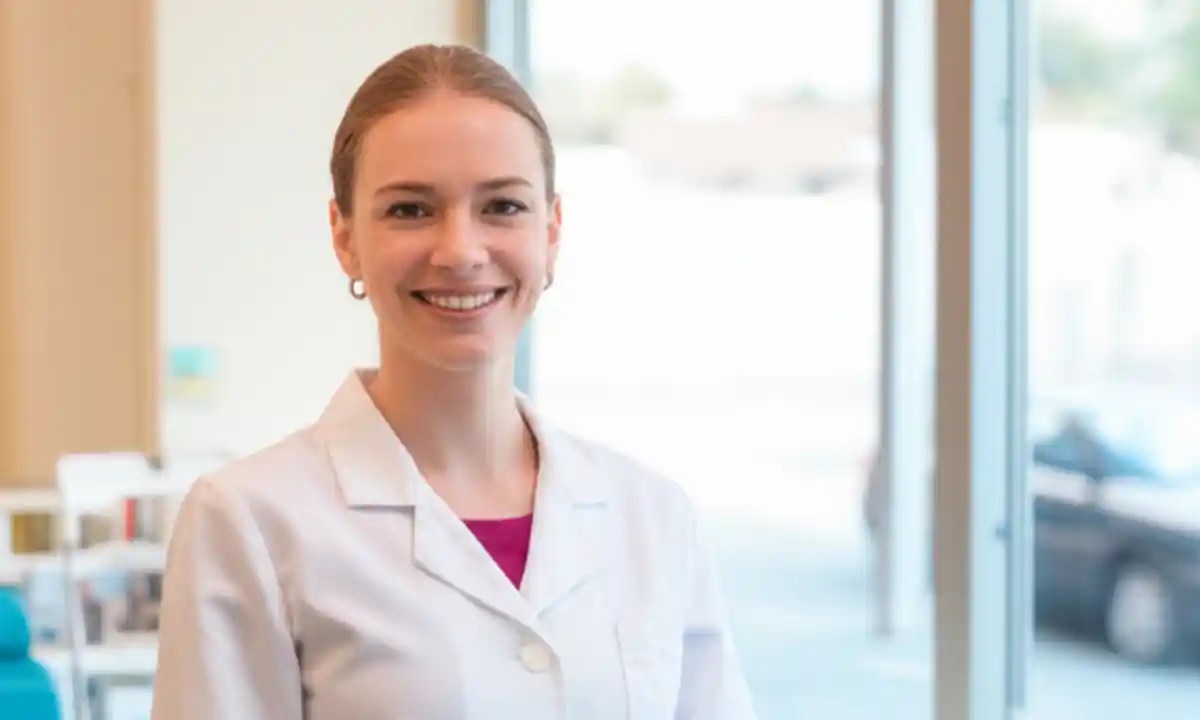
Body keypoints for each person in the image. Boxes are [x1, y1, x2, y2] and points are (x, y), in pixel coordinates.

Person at [150, 44, 756, 719]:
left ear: (551, 232)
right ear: (344, 236)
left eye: (502, 206)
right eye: (410, 210)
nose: (461, 251)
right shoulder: (250, 522)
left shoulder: (652, 515)